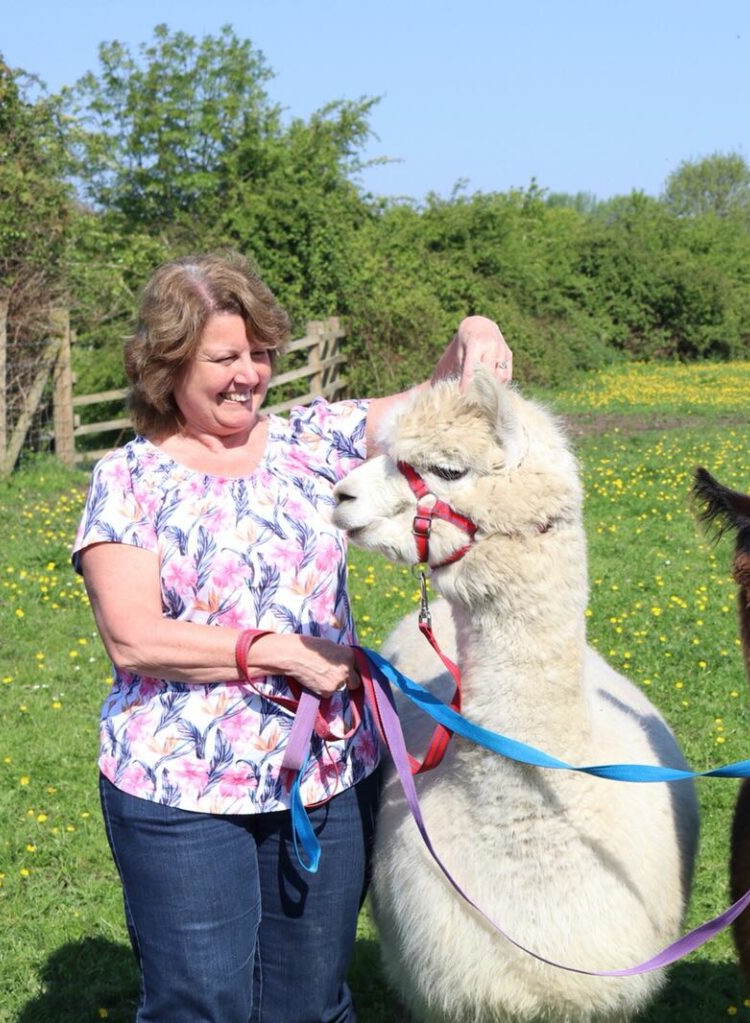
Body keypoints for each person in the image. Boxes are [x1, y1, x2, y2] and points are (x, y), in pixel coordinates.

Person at [71, 251, 512, 1022]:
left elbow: (439, 399)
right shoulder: (130, 478)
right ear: (169, 363)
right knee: (201, 1003)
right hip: (181, 790)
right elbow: (133, 638)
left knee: (309, 1001)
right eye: (225, 358)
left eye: (260, 353)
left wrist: (475, 329)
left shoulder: (314, 437)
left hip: (327, 774)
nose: (249, 374)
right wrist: (277, 652)